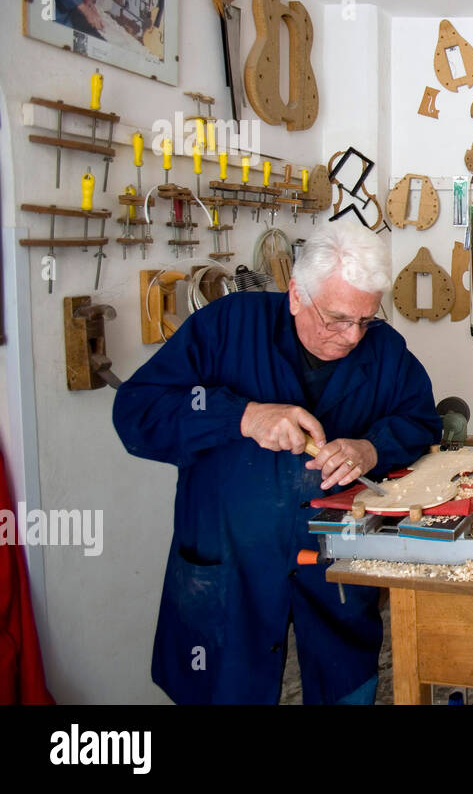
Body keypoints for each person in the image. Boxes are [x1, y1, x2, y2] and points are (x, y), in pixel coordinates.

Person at [113, 223, 441, 704]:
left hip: (334, 576)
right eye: (336, 319)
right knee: (224, 687)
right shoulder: (225, 327)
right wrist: (240, 416)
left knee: (343, 684)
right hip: (228, 574)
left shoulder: (385, 349)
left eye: (365, 319)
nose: (352, 337)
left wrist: (371, 448)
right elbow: (136, 414)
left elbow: (421, 422)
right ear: (295, 295)